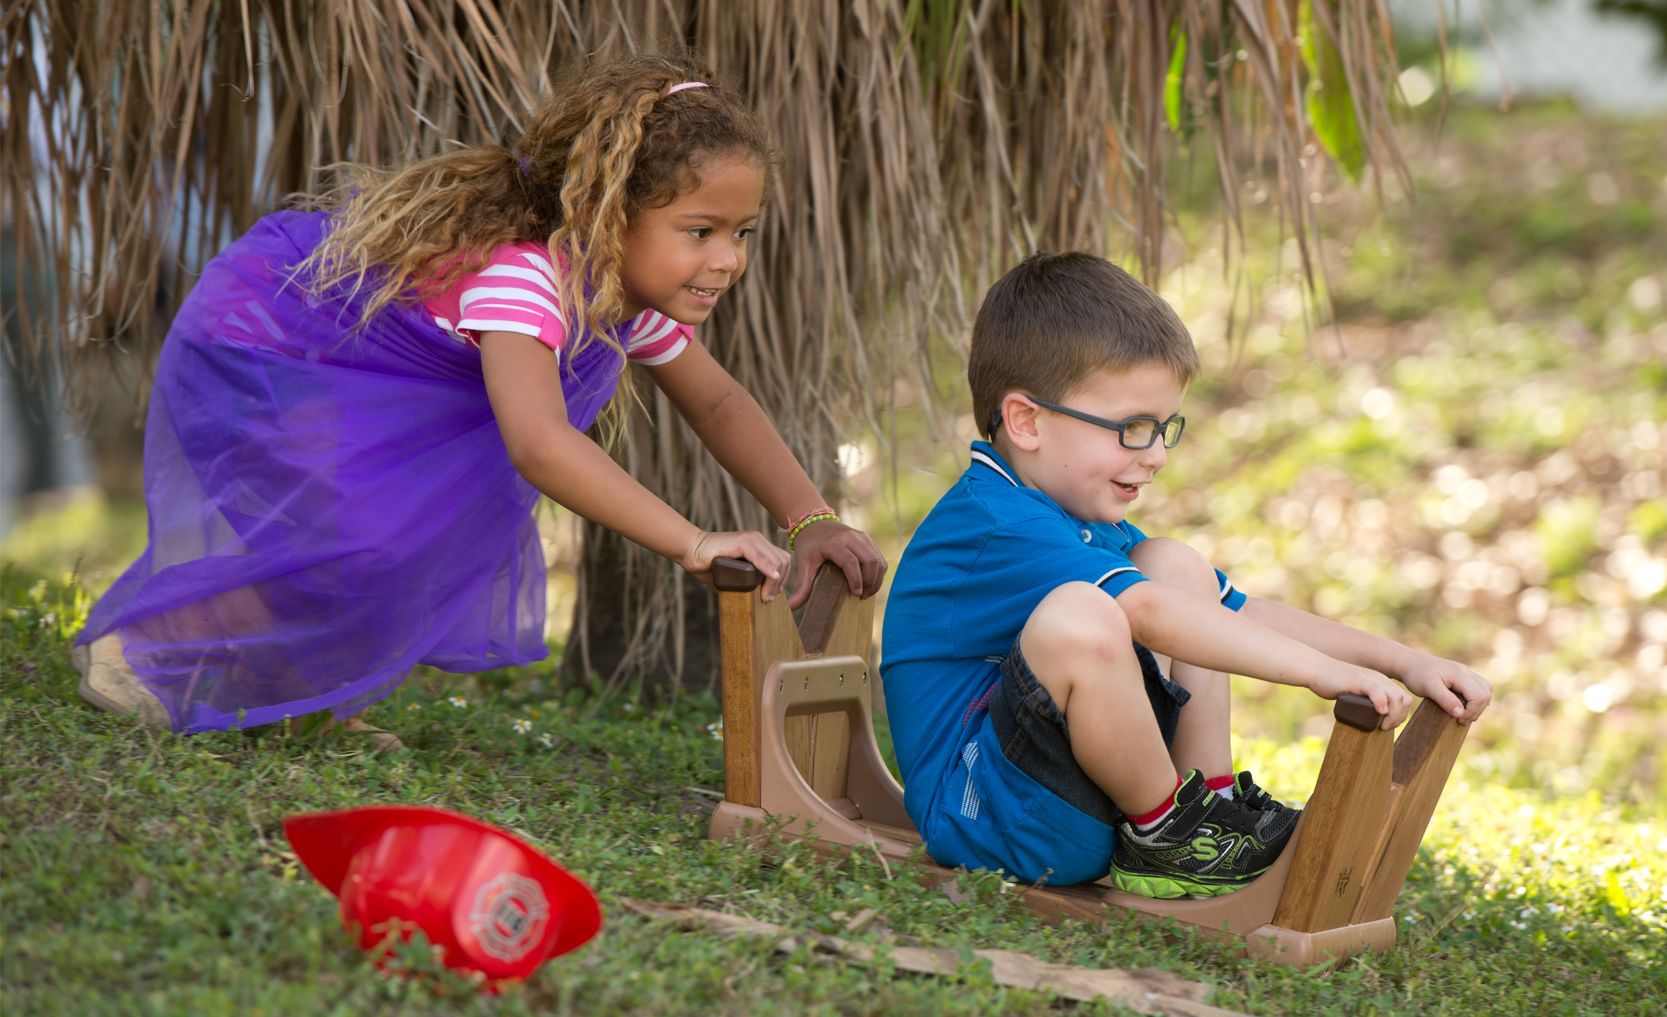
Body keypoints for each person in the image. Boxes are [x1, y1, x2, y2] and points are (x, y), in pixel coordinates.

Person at [73, 55, 886, 743]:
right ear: (608, 216)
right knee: (355, 537)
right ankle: (145, 647)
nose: (728, 260)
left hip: (372, 388)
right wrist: (691, 541)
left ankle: (292, 691)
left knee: (402, 542)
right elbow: (538, 441)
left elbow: (717, 404)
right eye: (700, 230)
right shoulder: (528, 278)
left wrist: (811, 518)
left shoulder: (621, 295)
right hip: (282, 347)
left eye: (741, 233)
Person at [879, 252, 1490, 898]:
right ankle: (1167, 834)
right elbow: (1147, 615)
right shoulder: (994, 520)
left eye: (1164, 428)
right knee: (1084, 615)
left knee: (1171, 564)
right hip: (985, 816)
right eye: (1132, 430)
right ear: (1027, 420)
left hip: (1050, 794)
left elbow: (1230, 611)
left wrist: (1403, 661)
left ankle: (1210, 810)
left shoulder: (1067, 517)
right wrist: (1320, 673)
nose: (1157, 455)